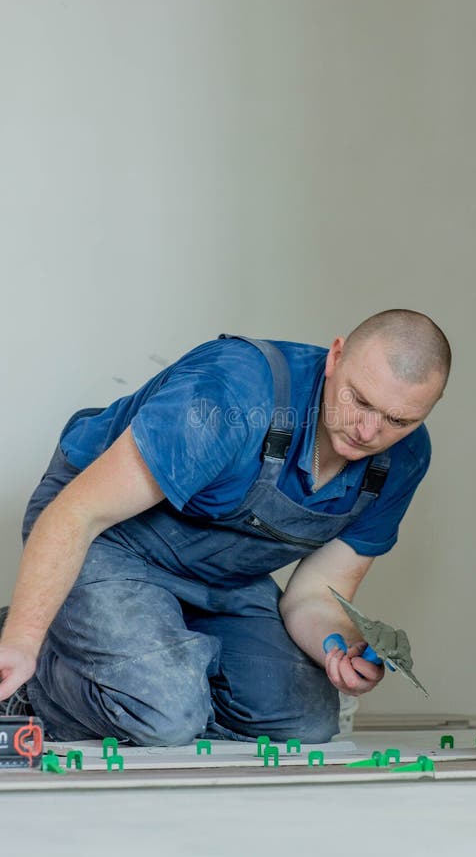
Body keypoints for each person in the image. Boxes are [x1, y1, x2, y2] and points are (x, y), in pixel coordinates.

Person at [0, 309, 450, 744]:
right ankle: (37, 666)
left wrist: (343, 648)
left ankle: (151, 666)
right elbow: (77, 514)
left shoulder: (405, 458)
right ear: (336, 357)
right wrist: (21, 640)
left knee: (304, 722)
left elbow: (315, 593)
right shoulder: (231, 393)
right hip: (109, 537)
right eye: (360, 400)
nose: (369, 431)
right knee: (166, 715)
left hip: (222, 573)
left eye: (398, 420)